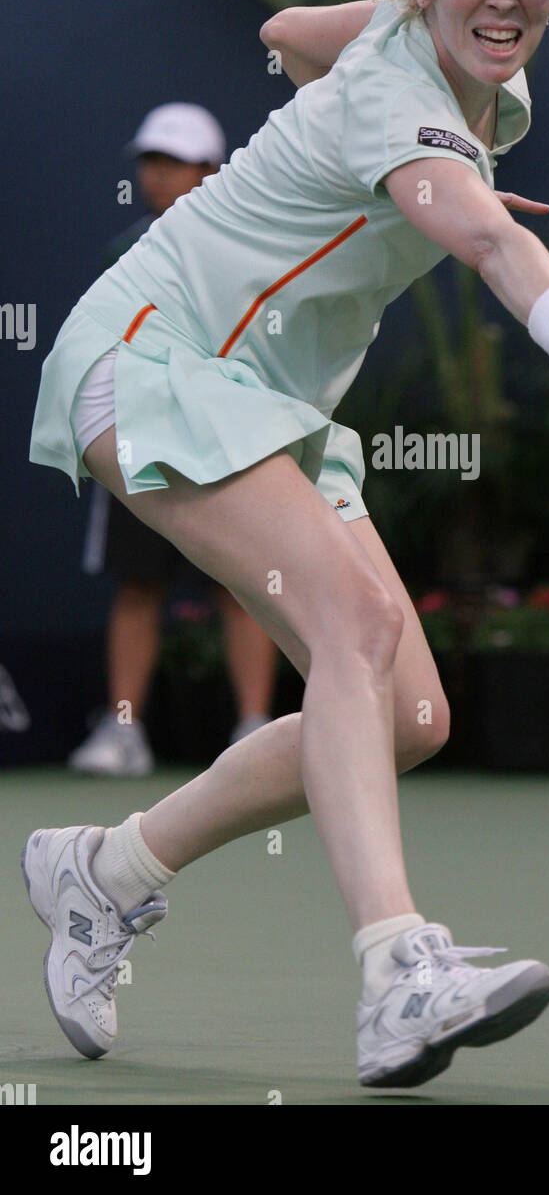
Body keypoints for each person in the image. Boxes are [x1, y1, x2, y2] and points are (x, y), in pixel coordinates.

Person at [24, 0, 549, 1089]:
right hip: (155, 356)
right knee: (357, 619)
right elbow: (475, 229)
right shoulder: (406, 90)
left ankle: (104, 872)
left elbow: (280, 24)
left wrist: (393, 117)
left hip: (268, 403)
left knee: (408, 715)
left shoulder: (464, 73)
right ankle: (397, 970)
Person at [74, 104, 279, 775]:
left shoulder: (248, 248)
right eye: (149, 162)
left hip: (225, 440)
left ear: (210, 170)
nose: (155, 176)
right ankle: (125, 734)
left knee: (242, 586)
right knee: (138, 585)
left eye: (171, 163)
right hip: (140, 443)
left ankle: (253, 730)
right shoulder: (123, 249)